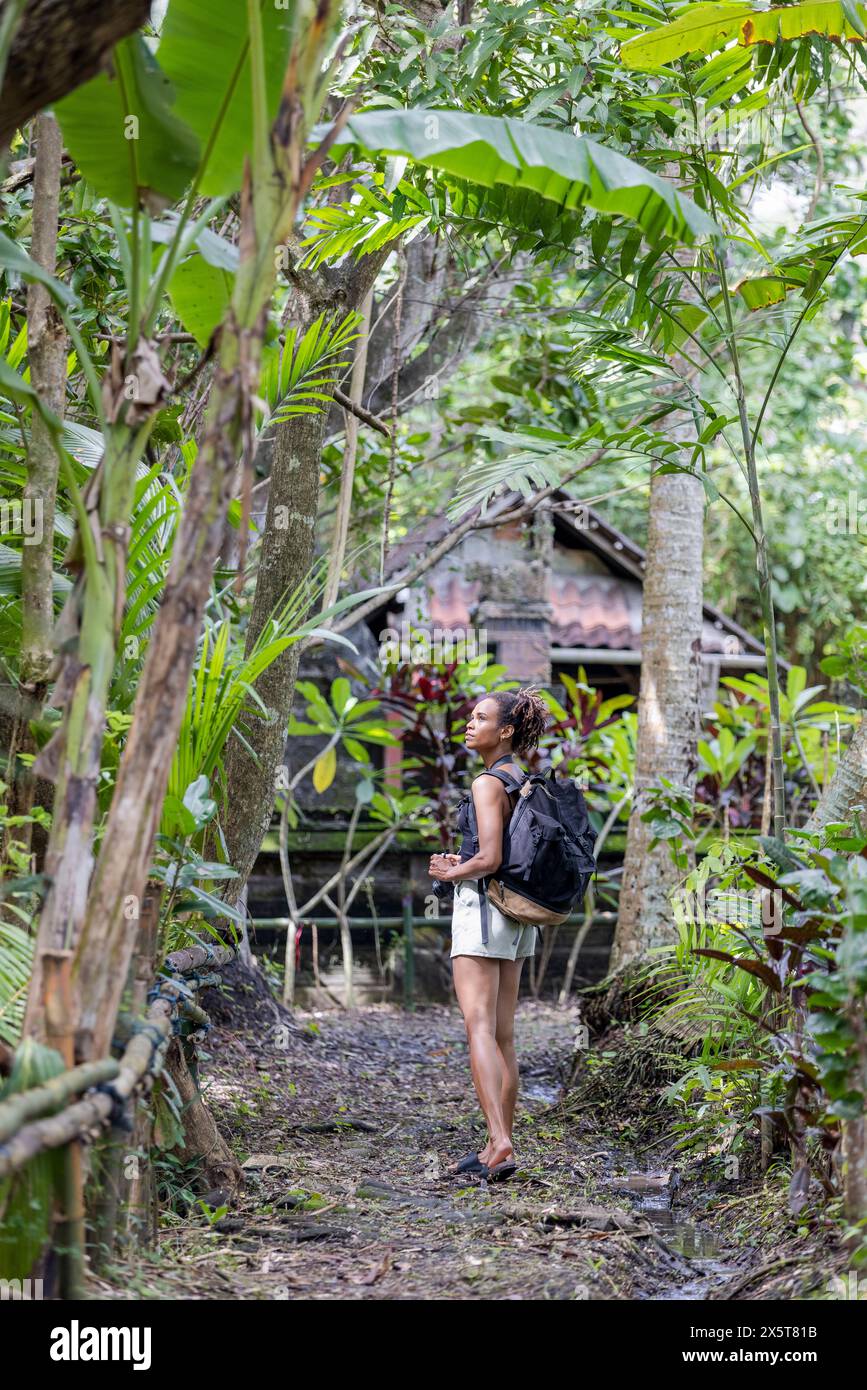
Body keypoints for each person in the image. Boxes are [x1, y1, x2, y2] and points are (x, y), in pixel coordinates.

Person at [428, 686, 549, 1182]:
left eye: (481, 719)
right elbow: (503, 852)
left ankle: (500, 1140)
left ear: (505, 731)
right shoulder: (522, 777)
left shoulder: (485, 782)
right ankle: (496, 1145)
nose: (469, 724)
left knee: (479, 1028)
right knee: (503, 1035)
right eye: (470, 717)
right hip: (517, 915)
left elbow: (492, 859)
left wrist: (450, 872)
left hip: (484, 909)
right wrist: (469, 860)